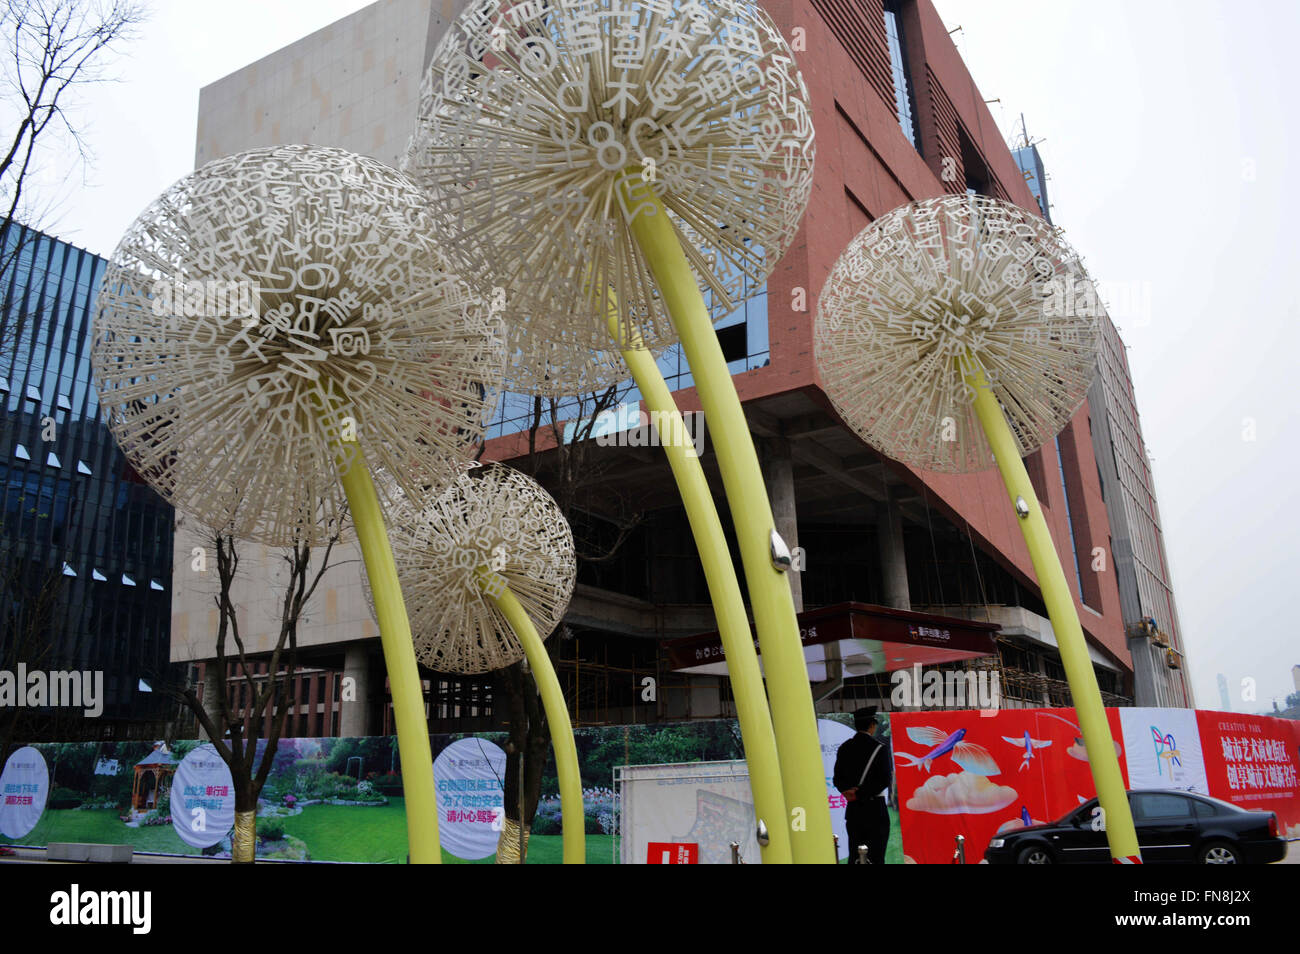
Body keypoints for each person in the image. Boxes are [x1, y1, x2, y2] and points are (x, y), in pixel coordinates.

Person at [833, 706, 892, 864]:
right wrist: (862, 793)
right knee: (876, 856)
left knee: (855, 855)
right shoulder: (880, 748)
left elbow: (837, 779)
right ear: (872, 725)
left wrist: (849, 792)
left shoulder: (844, 748)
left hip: (854, 810)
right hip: (875, 810)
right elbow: (885, 780)